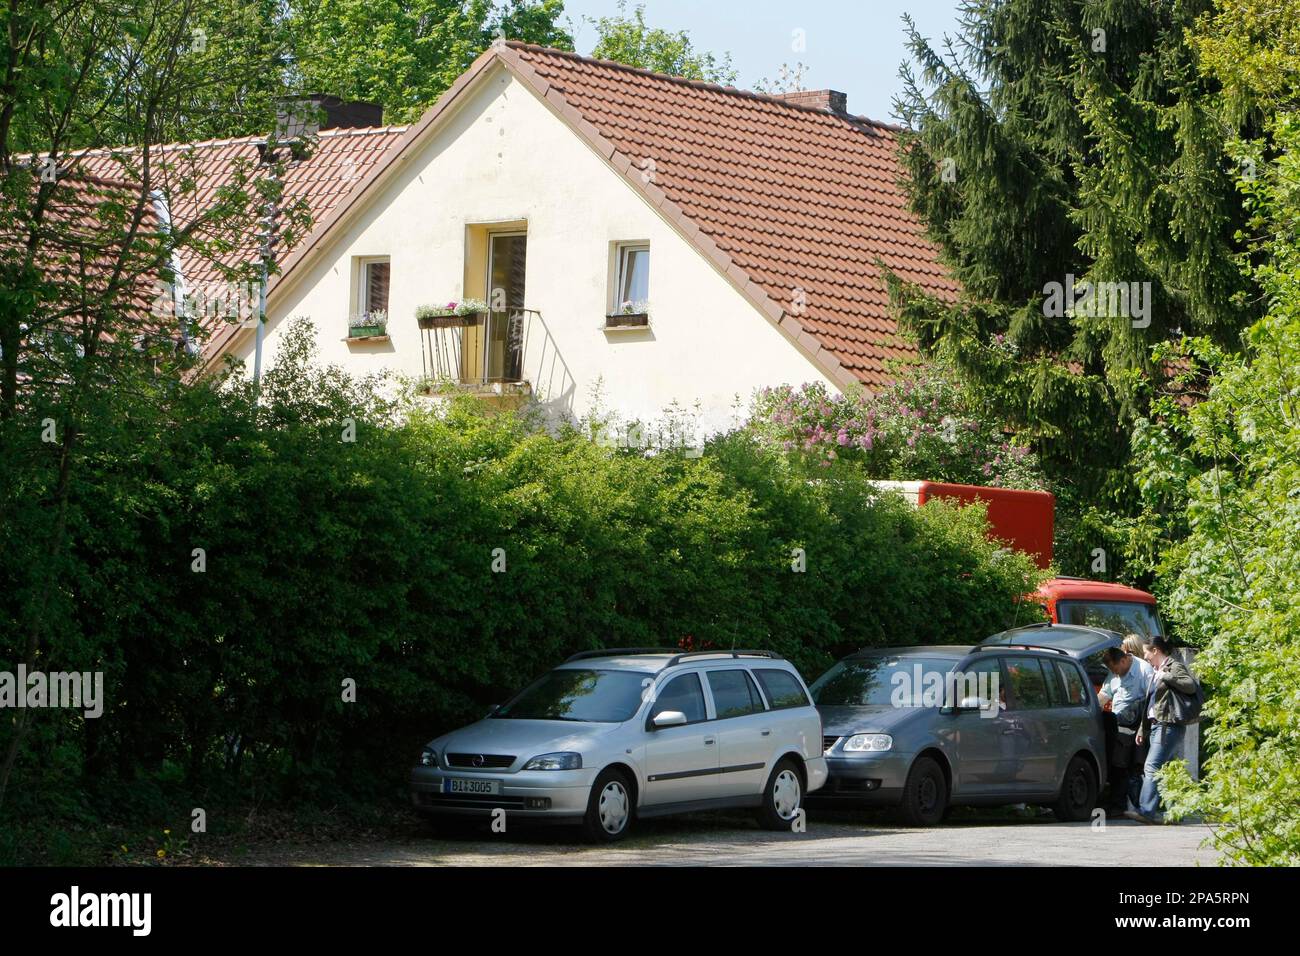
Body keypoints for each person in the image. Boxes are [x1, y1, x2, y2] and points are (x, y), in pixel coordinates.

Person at [1126, 636, 1198, 825]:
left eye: (1146, 652)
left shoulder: (1172, 667)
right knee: (1168, 770)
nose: (1145, 657)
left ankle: (1146, 811)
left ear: (1155, 650)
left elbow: (1190, 685)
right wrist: (1142, 729)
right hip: (1159, 725)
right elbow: (1152, 704)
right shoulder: (1157, 670)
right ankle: (1175, 812)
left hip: (1168, 726)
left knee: (1152, 766)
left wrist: (1166, 676)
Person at [1098, 646, 1146, 815]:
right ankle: (1116, 804)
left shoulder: (1143, 671)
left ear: (1124, 660)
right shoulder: (1114, 673)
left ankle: (1124, 805)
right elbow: (1104, 694)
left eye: (1116, 669)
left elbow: (1152, 702)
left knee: (1125, 767)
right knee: (1115, 765)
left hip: (1134, 727)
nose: (1115, 674)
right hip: (1115, 724)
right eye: (1112, 671)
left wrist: (1142, 730)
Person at [1120, 634, 1153, 810]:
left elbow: (1150, 698)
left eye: (1126, 650)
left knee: (1136, 766)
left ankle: (1139, 805)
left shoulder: (1144, 669)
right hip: (1124, 722)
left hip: (1138, 723)